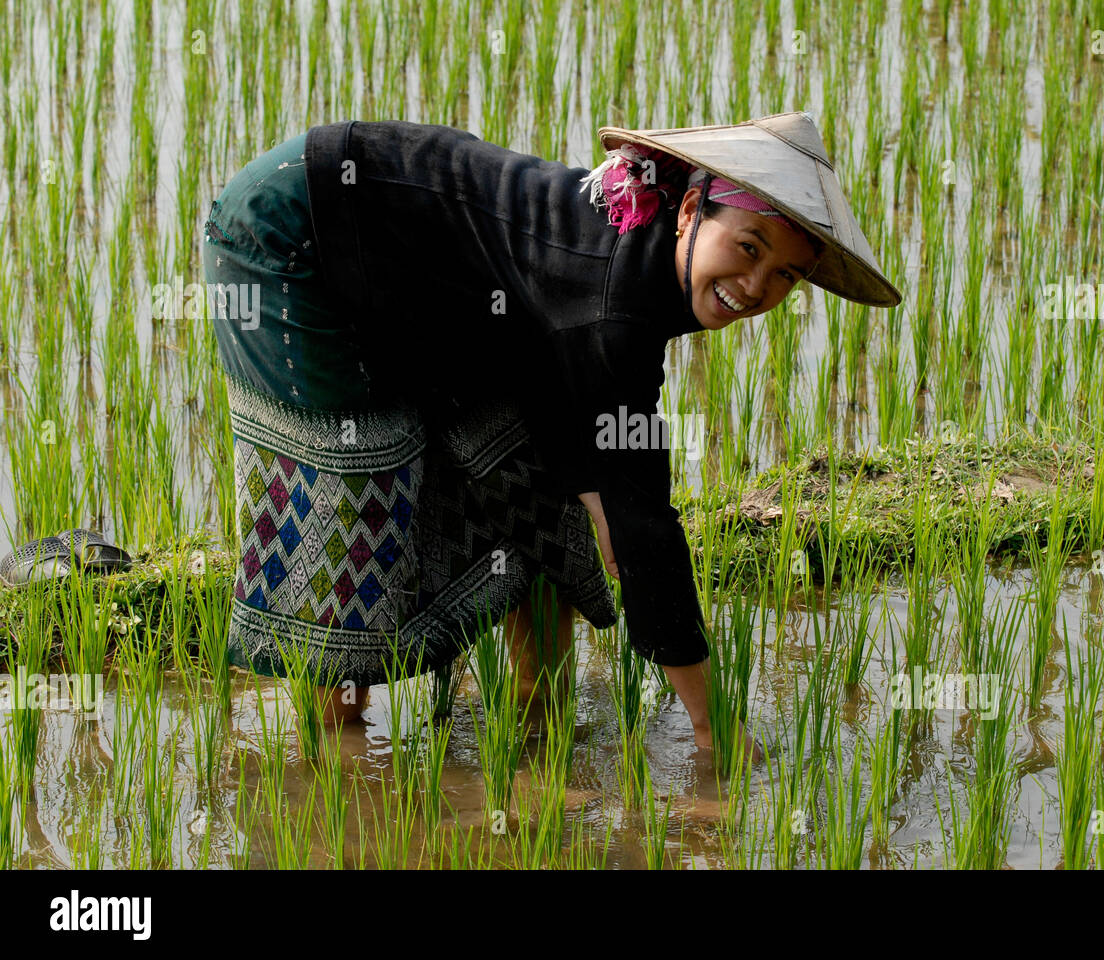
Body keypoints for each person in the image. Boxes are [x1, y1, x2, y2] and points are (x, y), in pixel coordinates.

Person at [201, 111, 900, 760]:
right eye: (747, 249)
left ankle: (541, 713)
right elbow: (647, 526)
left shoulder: (649, 256)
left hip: (400, 266)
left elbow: (557, 371)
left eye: (784, 275)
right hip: (293, 231)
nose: (754, 286)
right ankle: (339, 754)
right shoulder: (616, 299)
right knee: (355, 491)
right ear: (691, 211)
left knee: (531, 472)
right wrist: (712, 728)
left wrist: (592, 490)